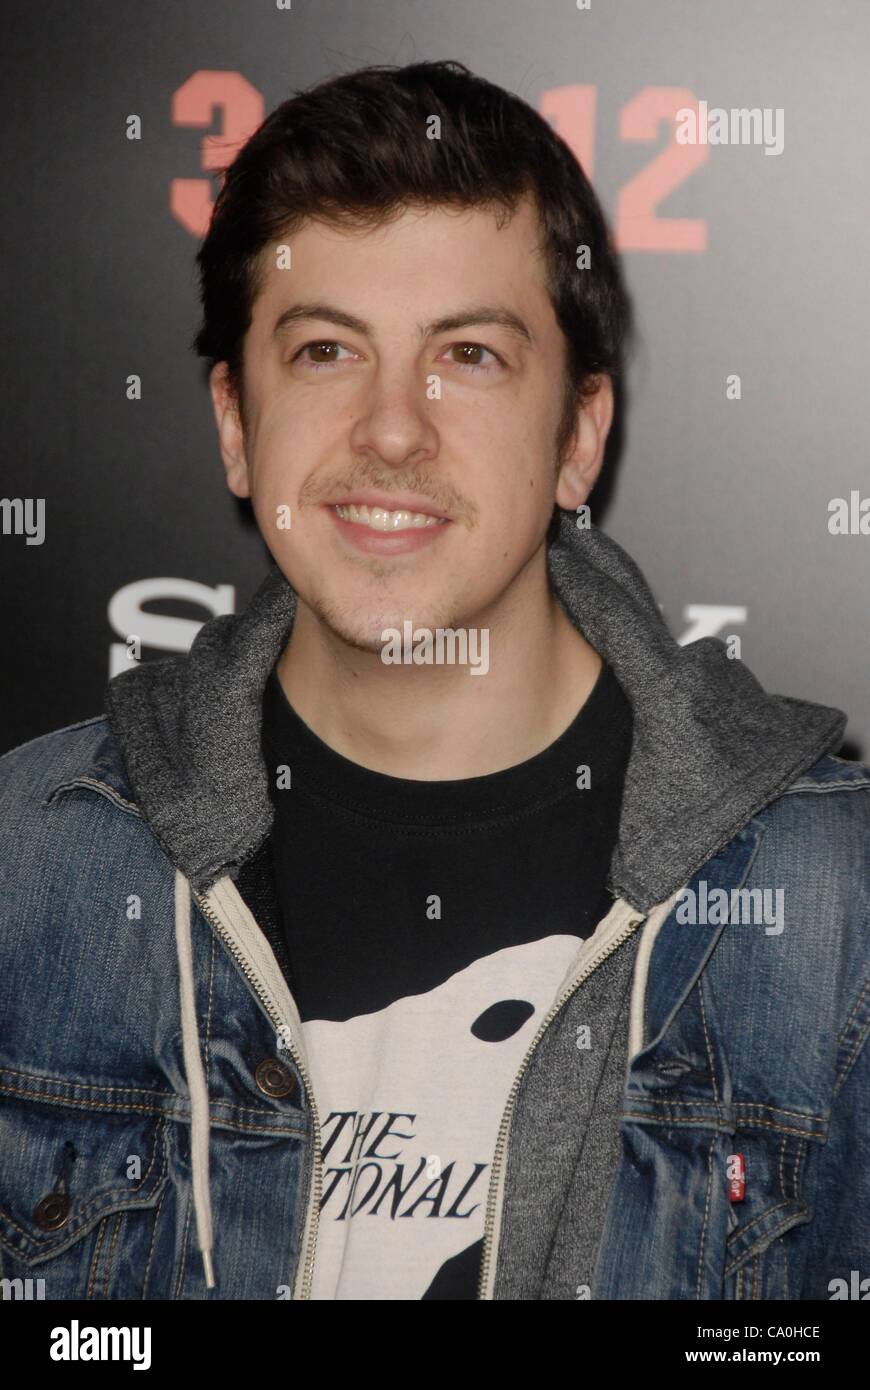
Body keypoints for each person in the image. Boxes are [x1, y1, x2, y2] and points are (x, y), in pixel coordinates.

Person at [0, 60, 867, 1303]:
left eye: (466, 352)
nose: (393, 429)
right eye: (324, 351)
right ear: (237, 426)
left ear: (579, 435)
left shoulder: (833, 913)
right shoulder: (32, 871)